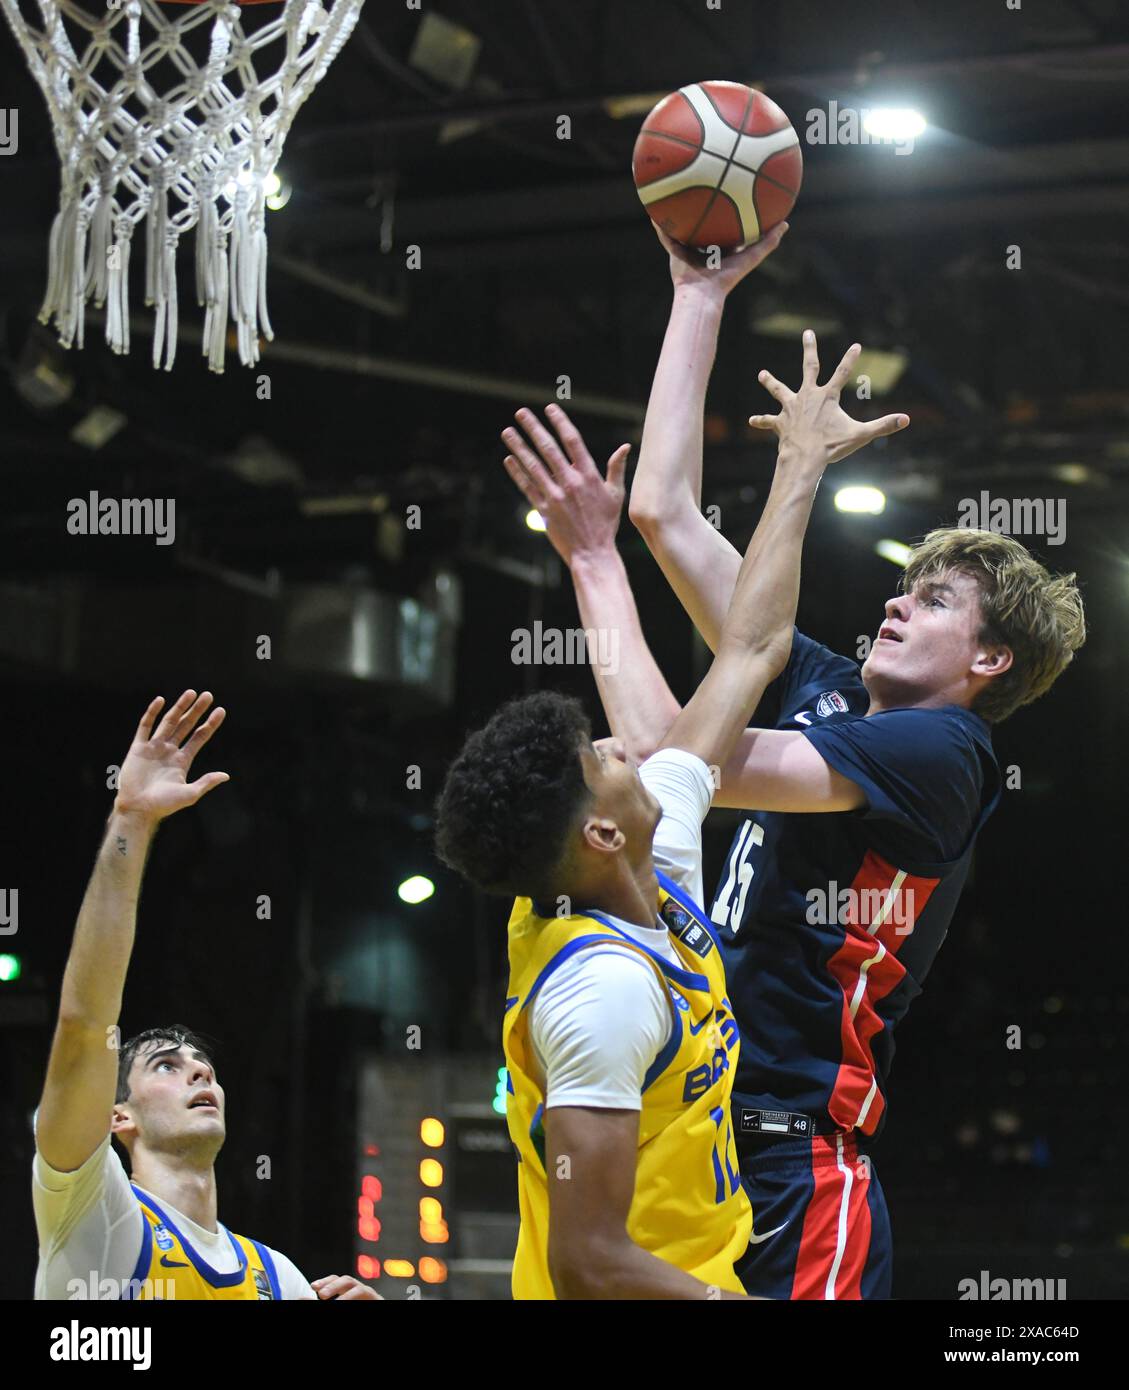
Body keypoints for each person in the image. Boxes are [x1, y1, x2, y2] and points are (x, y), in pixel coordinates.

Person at [606, 227, 1085, 1298]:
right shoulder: (820, 682)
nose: (895, 603)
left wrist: (798, 472)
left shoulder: (944, 753)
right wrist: (697, 295)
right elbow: (662, 510)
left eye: (933, 601)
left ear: (990, 660)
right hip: (697, 1136)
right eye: (903, 587)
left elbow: (684, 760)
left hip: (792, 1158)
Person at [435, 332, 885, 1299]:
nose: (618, 747)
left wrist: (598, 554)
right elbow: (587, 1262)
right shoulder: (602, 992)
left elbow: (751, 650)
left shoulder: (654, 871)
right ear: (601, 833)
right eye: (597, 761)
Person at [32, 691, 377, 1301]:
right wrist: (132, 820)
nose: (200, 1073)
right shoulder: (96, 1213)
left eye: (202, 1065)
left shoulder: (280, 1279)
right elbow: (84, 1024)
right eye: (167, 1065)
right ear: (118, 1117)